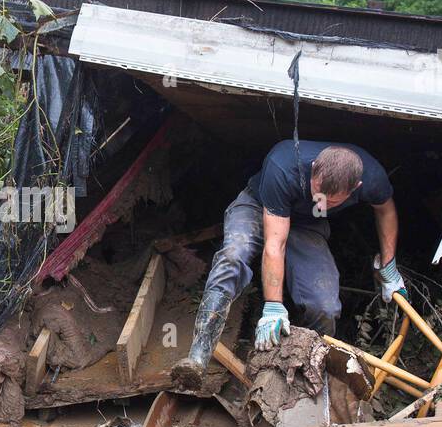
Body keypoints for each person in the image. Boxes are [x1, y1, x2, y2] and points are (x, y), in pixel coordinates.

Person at [171, 140, 406, 388]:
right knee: (233, 256)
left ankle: (305, 376)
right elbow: (275, 244)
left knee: (324, 306)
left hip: (306, 223)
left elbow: (386, 211)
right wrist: (273, 307)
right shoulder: (283, 165)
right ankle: (198, 356)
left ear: (356, 188)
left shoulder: (371, 177)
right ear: (314, 168)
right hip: (258, 204)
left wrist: (388, 267)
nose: (321, 201)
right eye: (317, 193)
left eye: (331, 201)